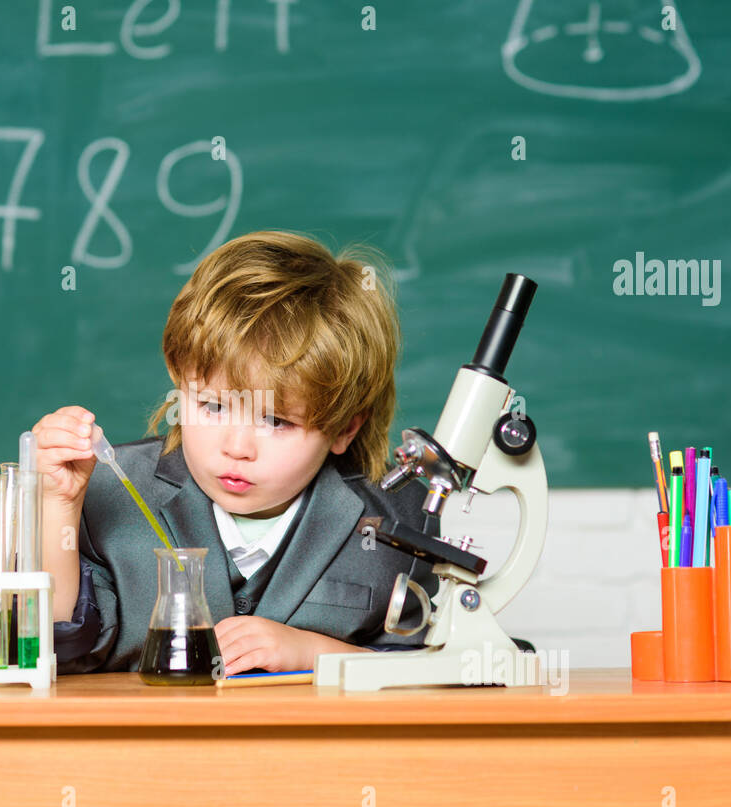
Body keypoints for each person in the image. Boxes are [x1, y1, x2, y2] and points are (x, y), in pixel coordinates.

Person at [33, 230, 441, 676]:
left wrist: (312, 653)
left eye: (276, 421)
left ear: (344, 429)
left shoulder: (400, 522)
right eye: (212, 406)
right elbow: (60, 646)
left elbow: (436, 672)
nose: (236, 448)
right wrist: (58, 507)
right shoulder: (108, 491)